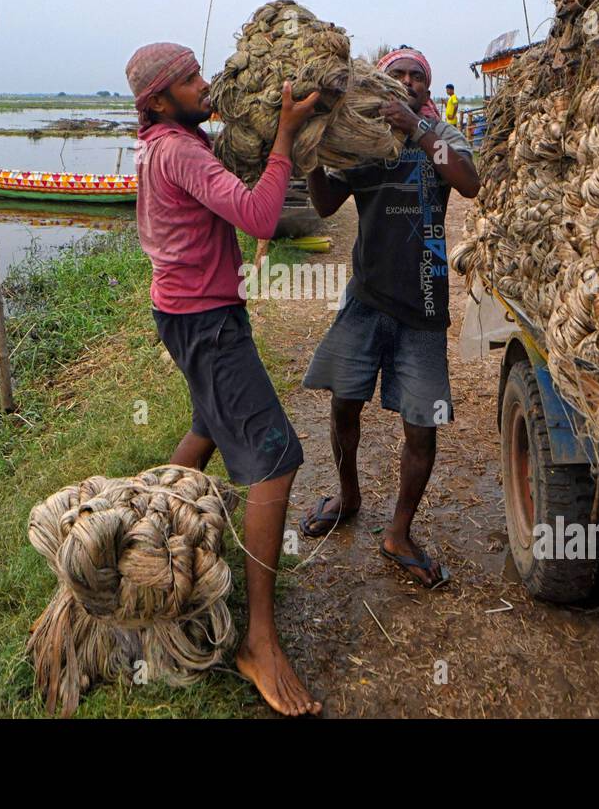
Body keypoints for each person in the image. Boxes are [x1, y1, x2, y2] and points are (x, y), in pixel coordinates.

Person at [126, 41, 322, 716]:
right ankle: (258, 643)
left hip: (184, 312)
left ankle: (136, 538)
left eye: (200, 71)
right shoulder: (180, 150)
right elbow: (263, 216)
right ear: (157, 99)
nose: (205, 84)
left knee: (208, 425)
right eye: (190, 80)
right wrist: (288, 137)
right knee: (274, 460)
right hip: (206, 322)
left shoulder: (162, 142)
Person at [300, 47, 478, 587]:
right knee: (344, 404)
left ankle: (398, 531)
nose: (406, 82)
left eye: (415, 76)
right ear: (381, 82)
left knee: (422, 427)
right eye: (395, 75)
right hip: (365, 299)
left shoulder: (442, 136)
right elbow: (328, 205)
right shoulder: (364, 143)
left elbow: (469, 182)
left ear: (428, 85)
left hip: (425, 304)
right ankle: (349, 494)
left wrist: (420, 129)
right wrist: (310, 154)